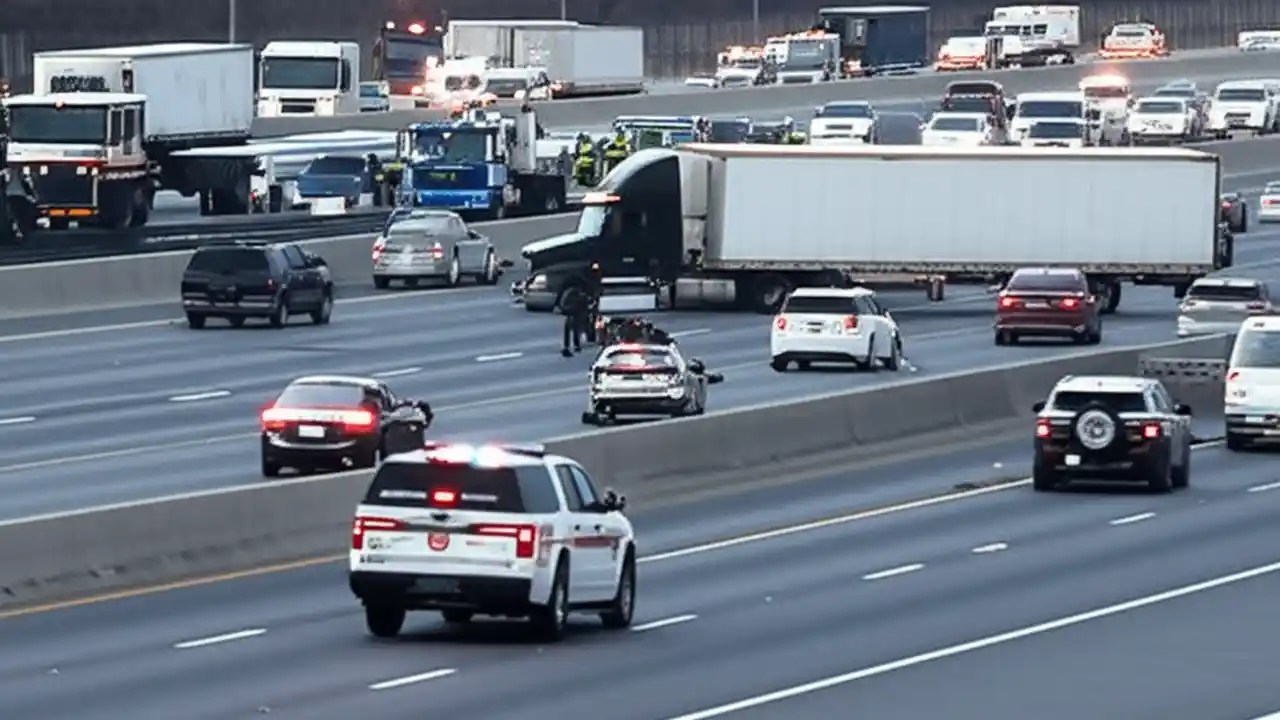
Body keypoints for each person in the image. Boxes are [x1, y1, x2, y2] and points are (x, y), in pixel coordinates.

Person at [559, 285, 589, 357]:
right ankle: (575, 346)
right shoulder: (580, 295)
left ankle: (567, 346)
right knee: (576, 329)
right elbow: (583, 307)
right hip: (574, 313)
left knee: (569, 330)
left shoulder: (568, 293)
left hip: (568, 312)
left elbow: (562, 303)